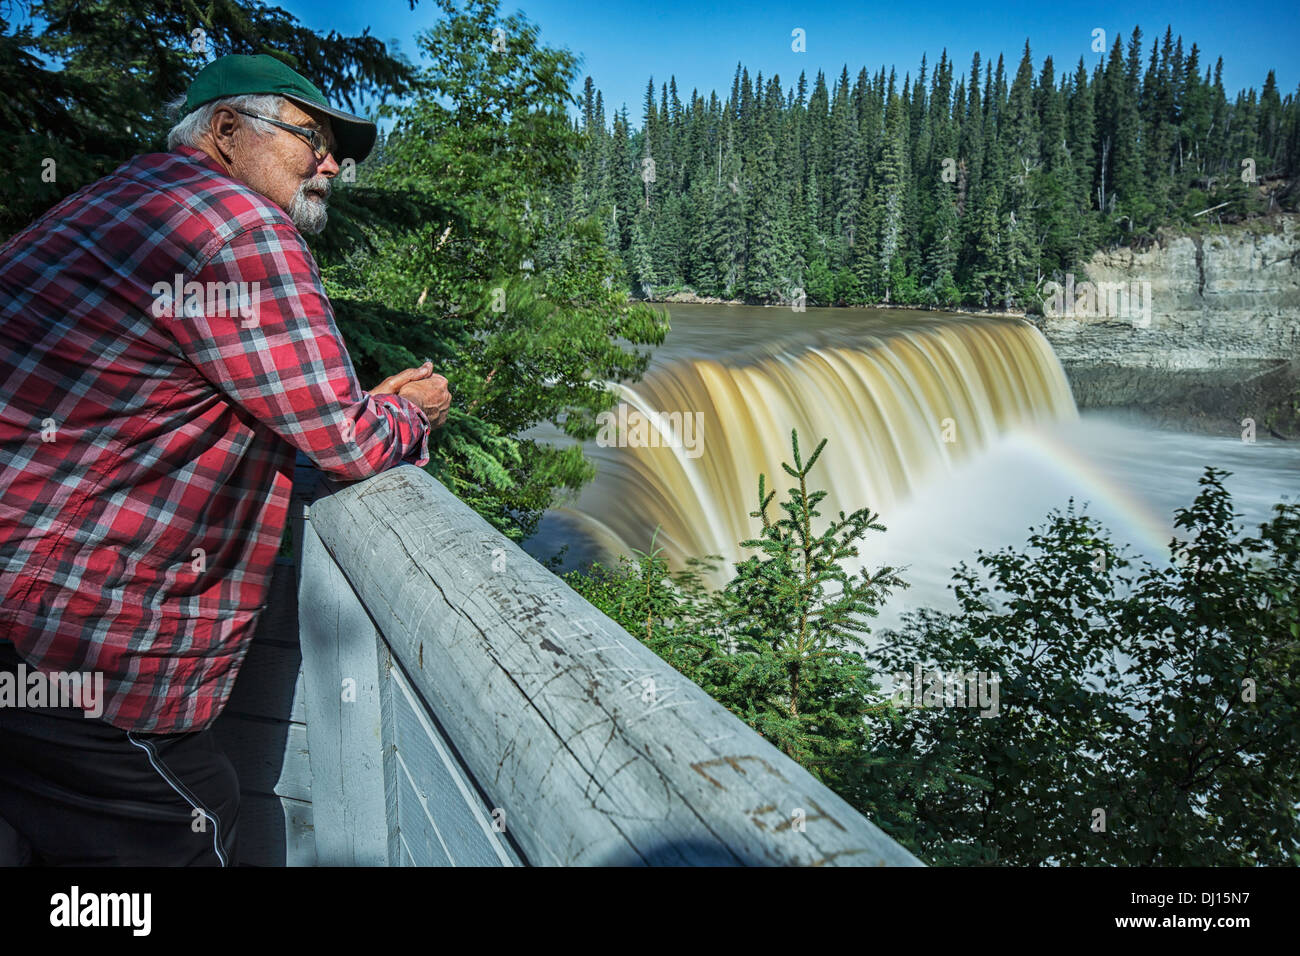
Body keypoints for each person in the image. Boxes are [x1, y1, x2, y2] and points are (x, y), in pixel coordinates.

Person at [0, 53, 450, 865]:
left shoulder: (101, 204)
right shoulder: (240, 229)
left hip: (24, 615)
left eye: (337, 151)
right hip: (67, 641)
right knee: (186, 828)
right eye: (310, 137)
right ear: (227, 129)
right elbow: (346, 441)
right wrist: (410, 413)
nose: (331, 164)